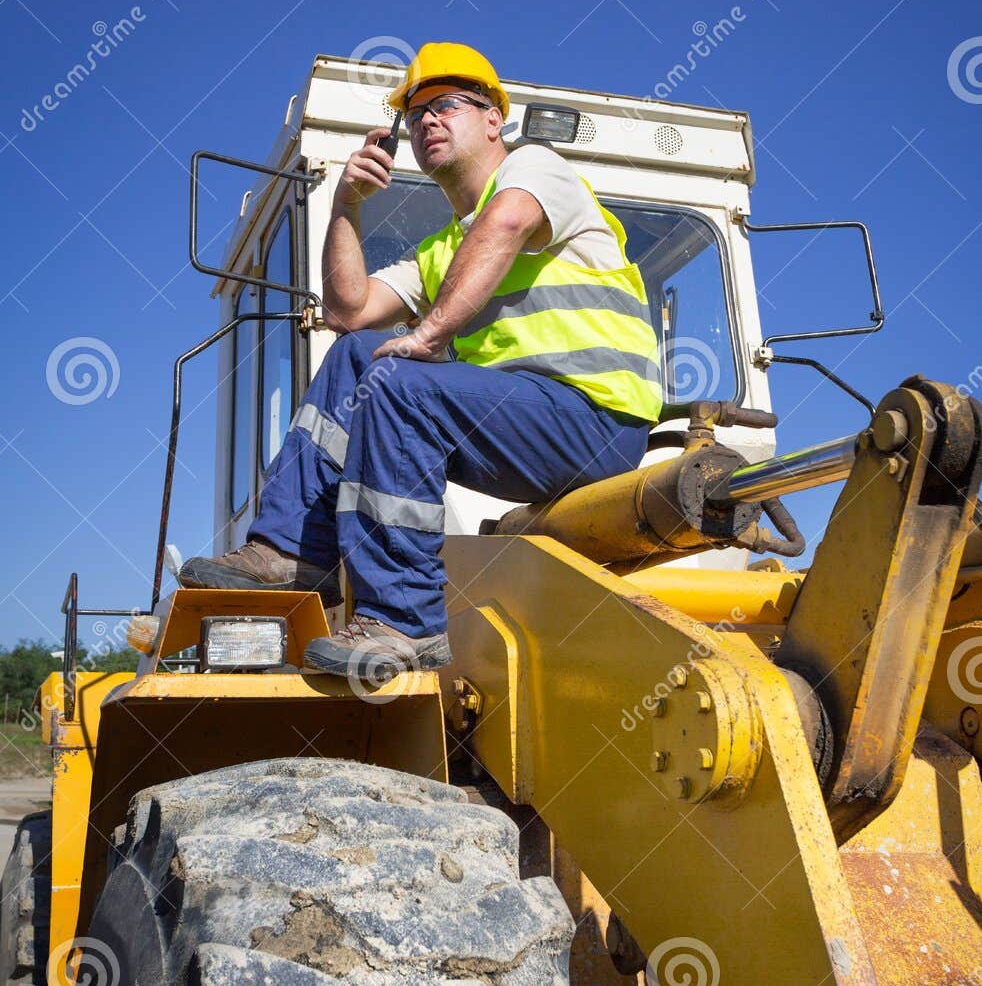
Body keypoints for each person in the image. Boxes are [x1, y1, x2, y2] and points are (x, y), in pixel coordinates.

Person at [180, 43, 662, 681]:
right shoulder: (444, 251)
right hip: (521, 426)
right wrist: (347, 205)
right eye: (415, 114)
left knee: (398, 383)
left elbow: (506, 222)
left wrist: (430, 333)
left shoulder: (536, 169)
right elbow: (349, 311)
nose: (428, 120)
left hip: (594, 423)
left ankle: (405, 619)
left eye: (447, 104)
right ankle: (294, 550)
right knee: (357, 355)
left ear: (493, 119)